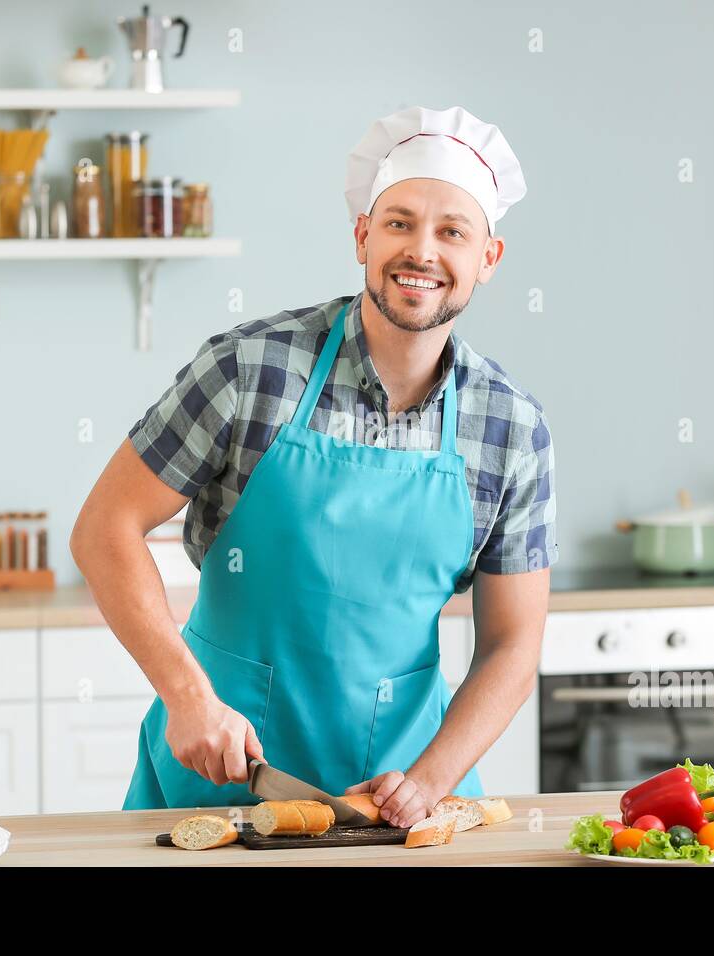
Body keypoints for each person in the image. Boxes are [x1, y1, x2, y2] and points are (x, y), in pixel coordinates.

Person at [71, 106, 558, 829]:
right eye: (398, 222)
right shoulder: (250, 369)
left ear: (488, 258)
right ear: (363, 235)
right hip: (222, 777)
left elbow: (513, 646)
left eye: (452, 230)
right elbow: (104, 529)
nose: (421, 250)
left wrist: (429, 781)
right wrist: (187, 698)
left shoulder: (512, 428)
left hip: (398, 803)